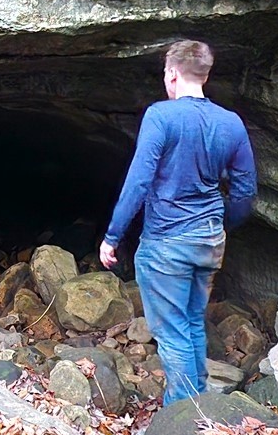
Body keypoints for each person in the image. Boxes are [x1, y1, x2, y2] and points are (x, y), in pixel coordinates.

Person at [99, 40, 256, 406]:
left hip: (167, 242)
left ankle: (185, 419)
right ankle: (202, 405)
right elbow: (246, 191)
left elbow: (138, 181)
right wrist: (218, 224)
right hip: (208, 240)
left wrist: (113, 236)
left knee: (172, 333)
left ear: (171, 74)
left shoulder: (161, 116)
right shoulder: (231, 123)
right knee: (192, 321)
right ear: (205, 73)